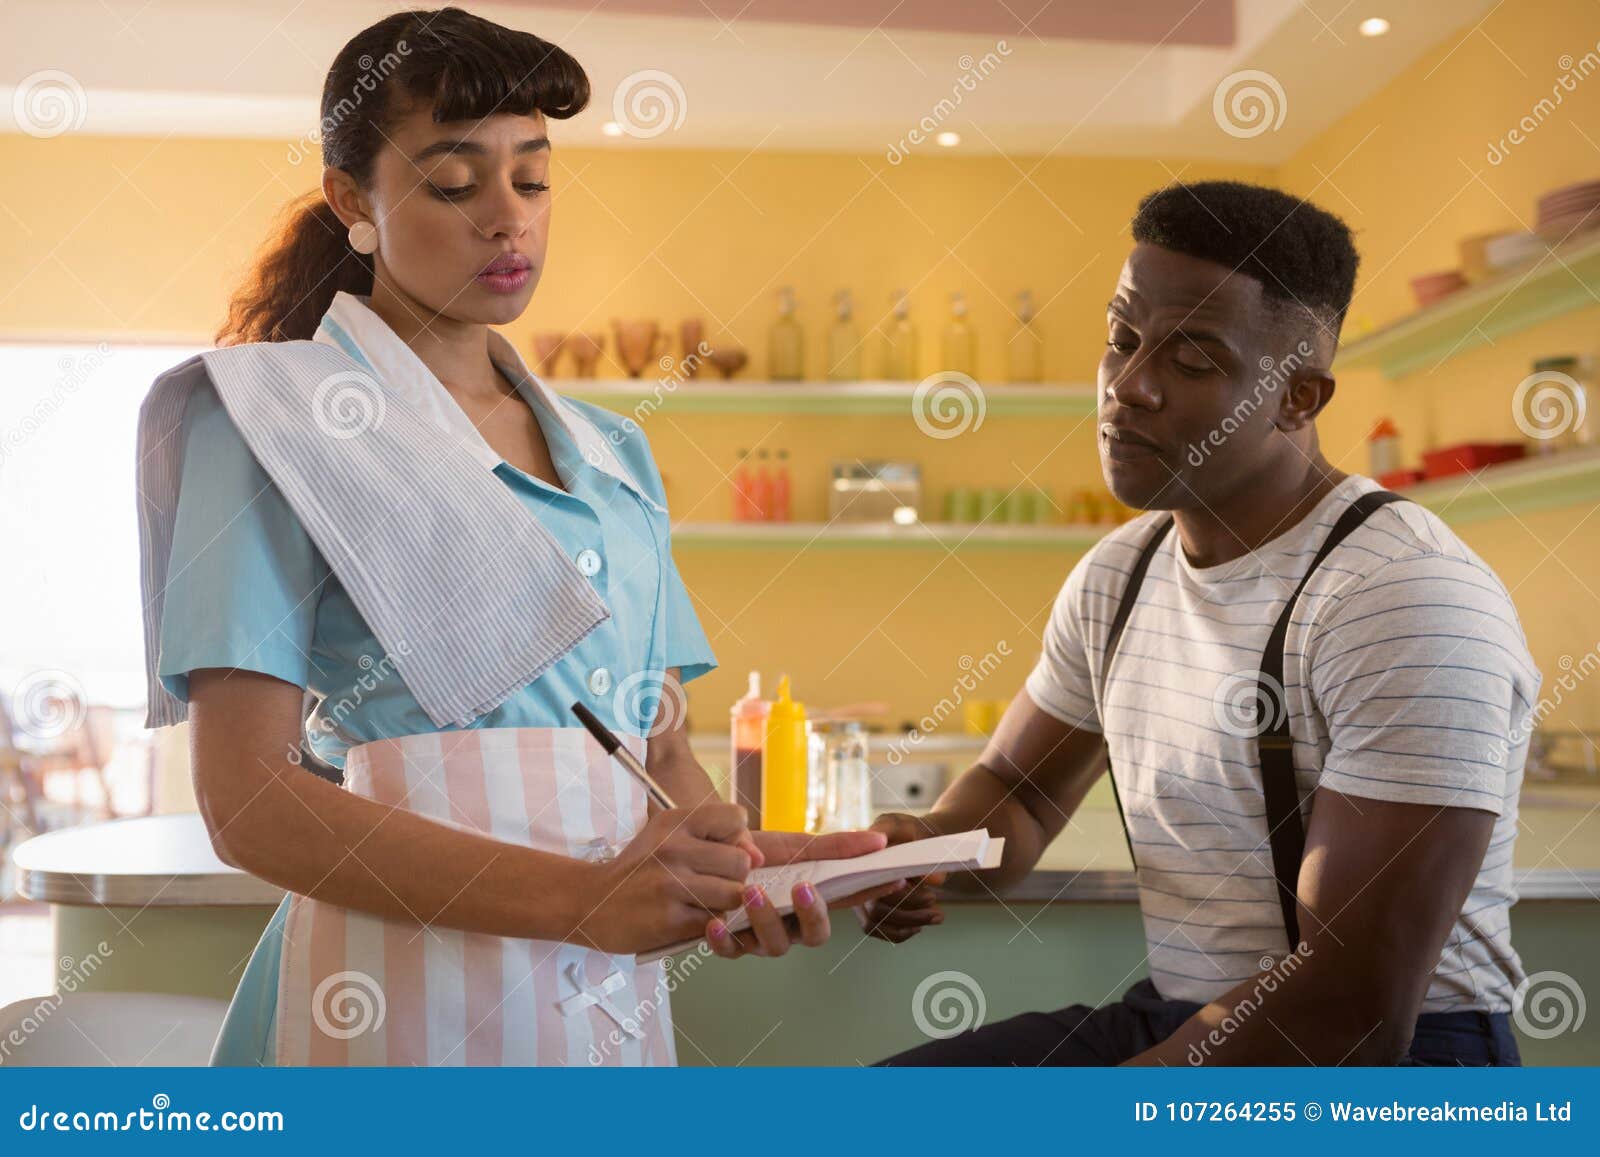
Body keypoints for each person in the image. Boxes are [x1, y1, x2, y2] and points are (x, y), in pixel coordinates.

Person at [138, 7, 889, 1068]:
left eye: (532, 179)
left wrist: (757, 867)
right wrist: (583, 899)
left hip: (606, 999)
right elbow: (247, 800)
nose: (508, 219)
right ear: (352, 201)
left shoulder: (614, 451)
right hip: (388, 994)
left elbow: (660, 753)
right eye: (455, 183)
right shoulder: (271, 420)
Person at [864, 180, 1540, 1067]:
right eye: (1122, 339)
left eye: (1191, 361)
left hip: (1389, 1058)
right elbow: (1019, 793)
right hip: (1182, 1017)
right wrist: (927, 847)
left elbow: (1351, 1008)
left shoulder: (1402, 596)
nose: (1129, 385)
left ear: (1298, 396)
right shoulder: (1120, 574)